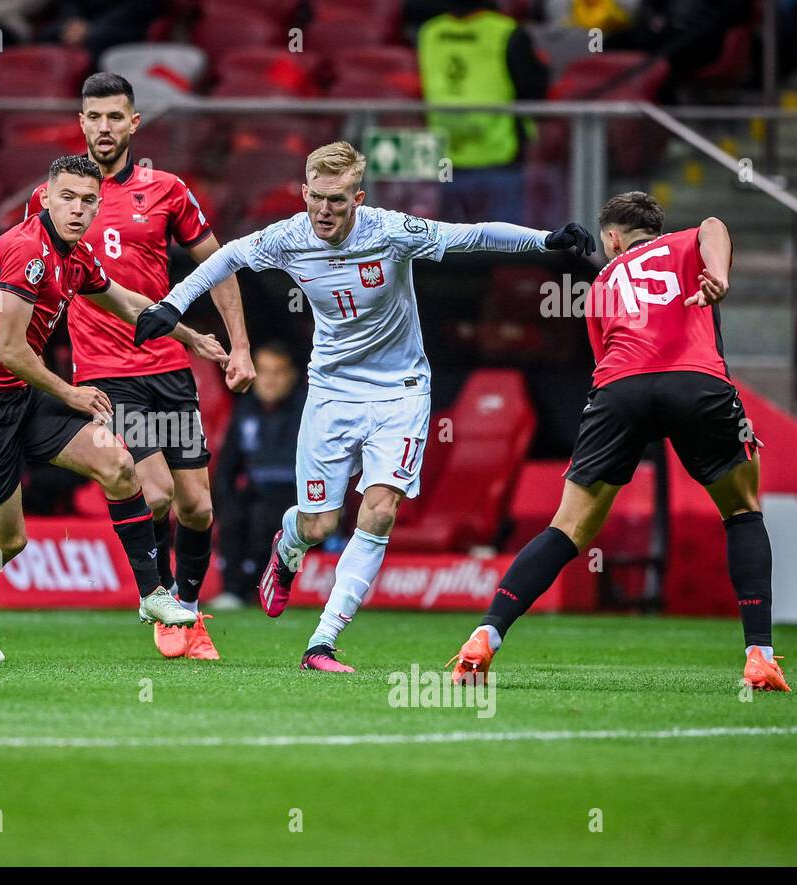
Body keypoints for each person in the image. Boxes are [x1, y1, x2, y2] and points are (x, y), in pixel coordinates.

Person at [143, 141, 595, 672]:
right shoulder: (288, 237)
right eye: (316, 198)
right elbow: (226, 258)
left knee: (380, 510)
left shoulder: (391, 231)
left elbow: (471, 235)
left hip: (400, 390)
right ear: (304, 192)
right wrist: (172, 305)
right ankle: (288, 546)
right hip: (331, 391)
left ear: (358, 198)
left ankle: (322, 642)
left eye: (337, 200)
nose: (325, 211)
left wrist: (546, 241)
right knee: (317, 525)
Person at [448, 192, 789, 693]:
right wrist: (720, 276)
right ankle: (759, 655)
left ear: (611, 239)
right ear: (656, 229)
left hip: (618, 391)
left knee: (566, 528)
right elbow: (714, 222)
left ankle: (484, 636)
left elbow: (605, 361)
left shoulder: (604, 282)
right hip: (696, 385)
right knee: (741, 513)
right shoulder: (684, 244)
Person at [0, 154, 229, 663]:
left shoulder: (76, 255)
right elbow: (8, 349)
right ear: (45, 197)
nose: (78, 209)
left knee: (117, 462)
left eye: (89, 200)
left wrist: (191, 335)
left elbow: (130, 302)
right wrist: (70, 393)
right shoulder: (27, 252)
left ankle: (154, 594)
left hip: (18, 398)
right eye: (67, 197)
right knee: (8, 540)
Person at [23, 72, 255, 660]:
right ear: (80, 123)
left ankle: (187, 610)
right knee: (152, 494)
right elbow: (24, 274)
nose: (104, 127)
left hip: (167, 368)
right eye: (93, 116)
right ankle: (161, 604)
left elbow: (218, 264)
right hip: (103, 371)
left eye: (114, 117)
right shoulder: (50, 197)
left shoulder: (167, 190)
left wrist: (240, 346)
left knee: (197, 506)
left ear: (134, 123)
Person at [416, 0, 549, 224]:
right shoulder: (506, 31)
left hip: (459, 158)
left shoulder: (429, 32)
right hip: (492, 160)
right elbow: (534, 89)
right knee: (504, 244)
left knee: (455, 246)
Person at [213, 342, 305, 608]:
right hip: (255, 491)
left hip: (294, 494)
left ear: (292, 375)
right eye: (263, 372)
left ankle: (260, 586)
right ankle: (232, 589)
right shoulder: (245, 409)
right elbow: (228, 465)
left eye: (278, 372)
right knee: (233, 510)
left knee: (263, 515)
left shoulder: (307, 410)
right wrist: (224, 500)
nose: (270, 381)